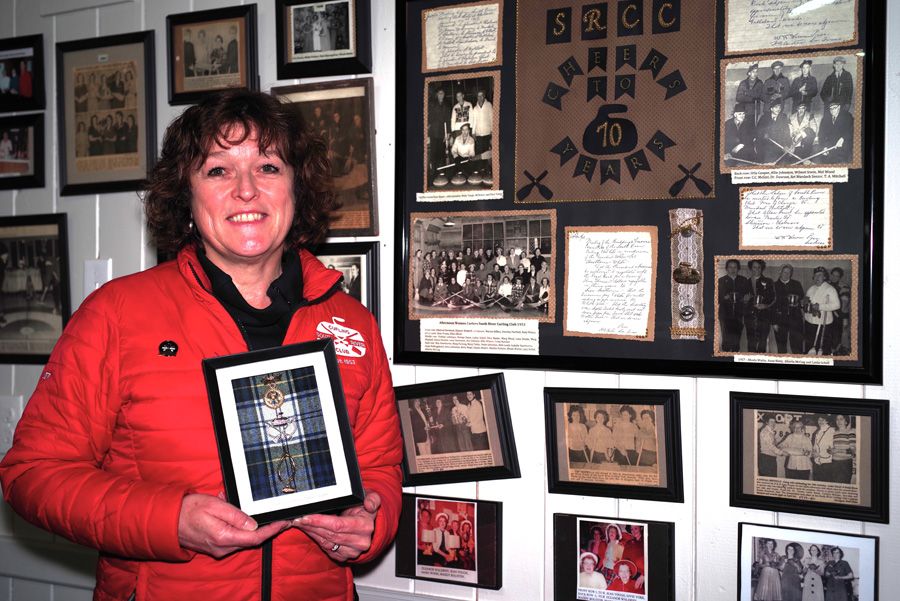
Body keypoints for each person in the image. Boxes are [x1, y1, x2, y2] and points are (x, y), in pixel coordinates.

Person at [0, 90, 402, 600]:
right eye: (218, 171)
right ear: (185, 197)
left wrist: (371, 523)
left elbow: (381, 468)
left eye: (268, 167)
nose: (246, 190)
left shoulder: (352, 324)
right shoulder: (118, 313)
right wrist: (171, 520)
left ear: (297, 189)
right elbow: (33, 474)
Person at [803, 266, 840, 354]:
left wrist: (820, 306)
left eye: (820, 275)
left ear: (824, 277)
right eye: (815, 275)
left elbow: (837, 305)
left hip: (823, 324)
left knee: (823, 349)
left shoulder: (830, 289)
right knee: (809, 346)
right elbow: (806, 301)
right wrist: (804, 302)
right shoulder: (811, 288)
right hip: (809, 322)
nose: (817, 277)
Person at [744, 259, 775, 353]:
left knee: (762, 341)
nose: (756, 269)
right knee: (751, 341)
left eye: (759, 267)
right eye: (754, 267)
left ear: (762, 269)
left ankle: (760, 357)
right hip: (750, 317)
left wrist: (765, 305)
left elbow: (773, 298)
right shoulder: (746, 282)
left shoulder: (769, 281)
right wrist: (745, 300)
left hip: (764, 317)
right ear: (751, 268)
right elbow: (742, 300)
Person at [719, 259, 750, 351]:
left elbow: (748, 296)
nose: (733, 269)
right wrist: (723, 298)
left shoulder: (743, 280)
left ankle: (734, 354)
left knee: (737, 337)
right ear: (726, 269)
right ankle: (726, 354)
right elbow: (715, 298)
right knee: (726, 338)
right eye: (730, 267)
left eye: (735, 267)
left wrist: (746, 299)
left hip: (739, 314)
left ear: (738, 268)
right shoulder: (720, 281)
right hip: (725, 314)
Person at [773, 264, 805, 354]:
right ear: (780, 272)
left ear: (791, 274)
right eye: (784, 272)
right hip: (780, 319)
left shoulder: (797, 284)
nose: (786, 274)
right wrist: (774, 322)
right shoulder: (774, 285)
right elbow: (772, 306)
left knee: (797, 346)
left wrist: (799, 300)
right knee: (781, 347)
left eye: (789, 272)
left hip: (795, 319)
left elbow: (802, 298)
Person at [758, 413, 785, 477]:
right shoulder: (766, 432)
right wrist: (781, 452)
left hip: (769, 458)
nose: (773, 423)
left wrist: (780, 442)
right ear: (767, 422)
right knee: (769, 478)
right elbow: (771, 446)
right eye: (771, 422)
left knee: (771, 477)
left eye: (774, 422)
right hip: (767, 459)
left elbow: (772, 444)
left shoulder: (770, 432)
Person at [831, 415, 855, 484]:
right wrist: (831, 450)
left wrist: (838, 451)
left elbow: (853, 451)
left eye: (841, 419)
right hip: (834, 463)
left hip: (845, 464)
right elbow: (835, 448)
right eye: (837, 419)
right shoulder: (835, 433)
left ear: (846, 421)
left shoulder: (851, 432)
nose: (839, 421)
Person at [811, 415, 835, 481]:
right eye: (819, 420)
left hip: (827, 463)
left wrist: (819, 454)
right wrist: (813, 452)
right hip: (817, 463)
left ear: (827, 421)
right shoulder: (817, 432)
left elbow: (832, 448)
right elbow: (815, 446)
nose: (820, 421)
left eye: (823, 420)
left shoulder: (831, 431)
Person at [471, 90, 493, 155]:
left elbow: (492, 118)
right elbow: (474, 121)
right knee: (479, 152)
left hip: (487, 133)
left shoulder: (489, 105)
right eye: (478, 96)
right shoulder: (475, 108)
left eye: (481, 95)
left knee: (487, 152)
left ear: (484, 96)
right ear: (477, 97)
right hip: (478, 134)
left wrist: (492, 130)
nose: (480, 97)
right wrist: (473, 132)